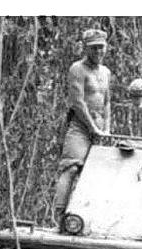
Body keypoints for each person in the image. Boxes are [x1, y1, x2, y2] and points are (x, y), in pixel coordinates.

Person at [53, 29, 111, 223]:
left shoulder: (106, 72)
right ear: (86, 49)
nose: (98, 51)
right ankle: (60, 216)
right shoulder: (77, 69)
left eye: (101, 47)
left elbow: (107, 102)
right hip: (81, 126)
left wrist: (106, 129)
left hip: (100, 127)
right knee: (71, 168)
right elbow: (77, 102)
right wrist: (93, 127)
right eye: (94, 48)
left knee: (98, 171)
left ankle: (91, 218)